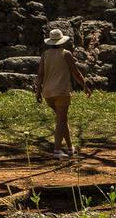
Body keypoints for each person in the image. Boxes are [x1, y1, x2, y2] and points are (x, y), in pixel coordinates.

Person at [35, 28, 90, 158]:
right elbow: (75, 72)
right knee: (61, 120)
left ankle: (70, 147)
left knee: (62, 119)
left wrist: (38, 92)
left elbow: (40, 74)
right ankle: (57, 149)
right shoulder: (66, 54)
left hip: (47, 91)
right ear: (62, 41)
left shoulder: (45, 55)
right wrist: (84, 86)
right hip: (61, 91)